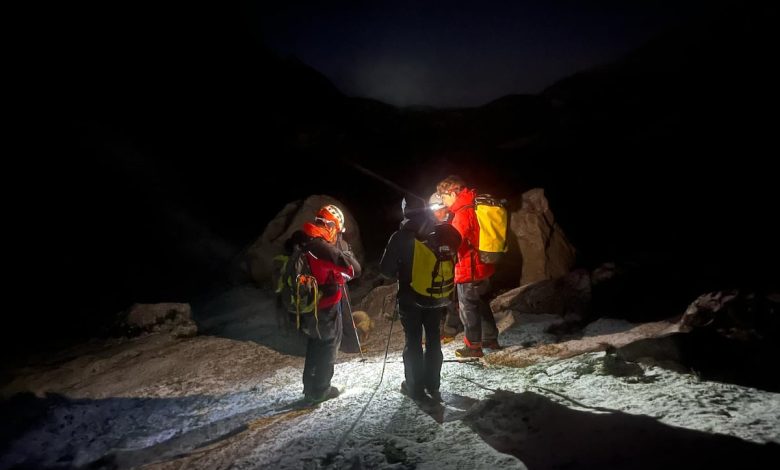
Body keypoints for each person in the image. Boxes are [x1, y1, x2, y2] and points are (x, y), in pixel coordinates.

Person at [380, 196, 460, 402]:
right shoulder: (440, 231)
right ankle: (433, 384)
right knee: (433, 338)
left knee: (413, 342)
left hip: (411, 297)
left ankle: (415, 388)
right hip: (436, 295)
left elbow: (386, 270)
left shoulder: (400, 237)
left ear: (405, 211)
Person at [283, 204, 361, 404]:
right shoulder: (320, 247)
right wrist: (345, 254)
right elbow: (354, 270)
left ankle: (310, 388)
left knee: (315, 343)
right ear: (331, 225)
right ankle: (321, 390)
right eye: (337, 229)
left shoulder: (306, 240)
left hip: (310, 305)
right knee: (327, 344)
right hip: (324, 306)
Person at [436, 175, 501, 358]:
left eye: (444, 197)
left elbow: (454, 242)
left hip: (469, 268)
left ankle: (473, 347)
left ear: (452, 192)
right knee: (481, 303)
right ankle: (490, 339)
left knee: (468, 308)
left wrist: (440, 243)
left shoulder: (462, 213)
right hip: (483, 265)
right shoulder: (474, 205)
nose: (443, 201)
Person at [429, 192, 463, 344]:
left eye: (439, 208)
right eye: (434, 209)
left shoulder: (454, 222)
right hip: (435, 267)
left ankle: (451, 328)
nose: (437, 212)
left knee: (451, 299)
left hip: (452, 266)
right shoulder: (429, 225)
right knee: (434, 298)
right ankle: (433, 331)